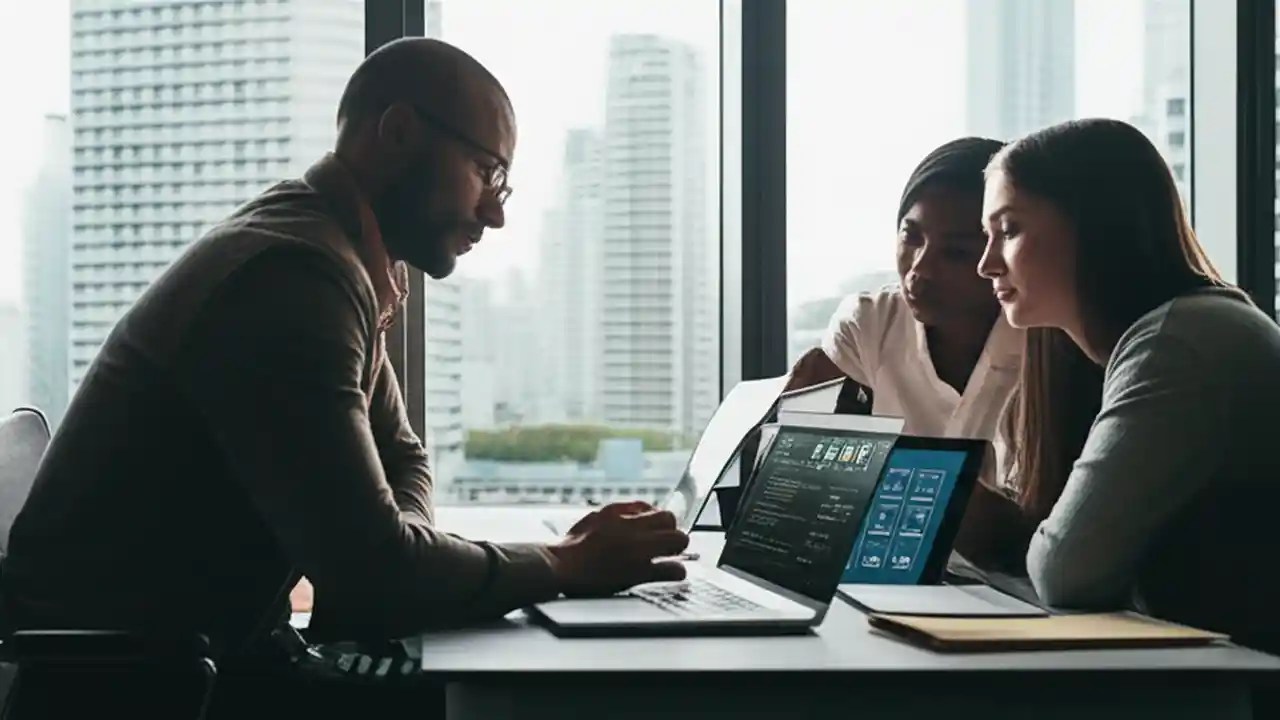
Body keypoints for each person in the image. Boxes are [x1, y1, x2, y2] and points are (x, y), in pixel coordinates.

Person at [0, 38, 688, 714]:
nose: (496, 212)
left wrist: (407, 556)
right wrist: (564, 563)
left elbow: (402, 458)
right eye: (487, 171)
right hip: (140, 691)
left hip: (202, 663)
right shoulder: (291, 277)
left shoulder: (337, 254)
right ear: (399, 132)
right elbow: (376, 575)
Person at [978, 117, 1280, 654]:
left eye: (1009, 230)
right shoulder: (1163, 336)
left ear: (1093, 225)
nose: (986, 264)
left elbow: (1066, 571)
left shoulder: (1179, 342)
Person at [786, 137, 1040, 572]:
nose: (919, 269)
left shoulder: (1045, 345)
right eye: (911, 236)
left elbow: (1025, 541)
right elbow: (806, 495)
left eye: (956, 252)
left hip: (1007, 591)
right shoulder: (870, 322)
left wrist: (888, 460)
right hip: (881, 577)